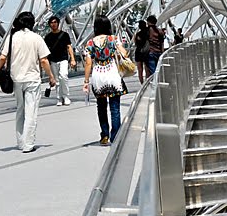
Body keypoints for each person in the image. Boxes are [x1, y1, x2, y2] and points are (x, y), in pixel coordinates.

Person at [0, 10, 56, 154]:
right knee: (31, 112)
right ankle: (29, 144)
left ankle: (20, 142)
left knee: (20, 110)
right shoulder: (36, 38)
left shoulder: (12, 38)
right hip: (32, 80)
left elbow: (3, 58)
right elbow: (44, 60)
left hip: (16, 79)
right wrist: (51, 77)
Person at [84, 14, 130, 147]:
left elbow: (88, 63)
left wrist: (86, 81)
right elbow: (124, 53)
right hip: (112, 74)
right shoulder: (113, 39)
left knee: (101, 107)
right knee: (115, 108)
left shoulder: (90, 43)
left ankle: (104, 135)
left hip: (98, 76)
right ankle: (115, 135)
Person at [42, 15, 76, 105]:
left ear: (58, 23)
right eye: (51, 23)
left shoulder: (64, 35)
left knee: (63, 76)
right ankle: (59, 98)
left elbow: (69, 46)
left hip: (63, 59)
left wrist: (72, 59)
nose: (53, 24)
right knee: (57, 80)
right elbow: (45, 50)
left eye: (55, 22)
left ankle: (66, 96)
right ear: (49, 24)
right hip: (53, 60)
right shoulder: (47, 37)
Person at [132, 18, 152, 84]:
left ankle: (142, 83)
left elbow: (135, 43)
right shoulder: (148, 33)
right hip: (146, 52)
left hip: (138, 52)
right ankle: (147, 83)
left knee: (140, 70)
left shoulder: (137, 35)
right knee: (147, 69)